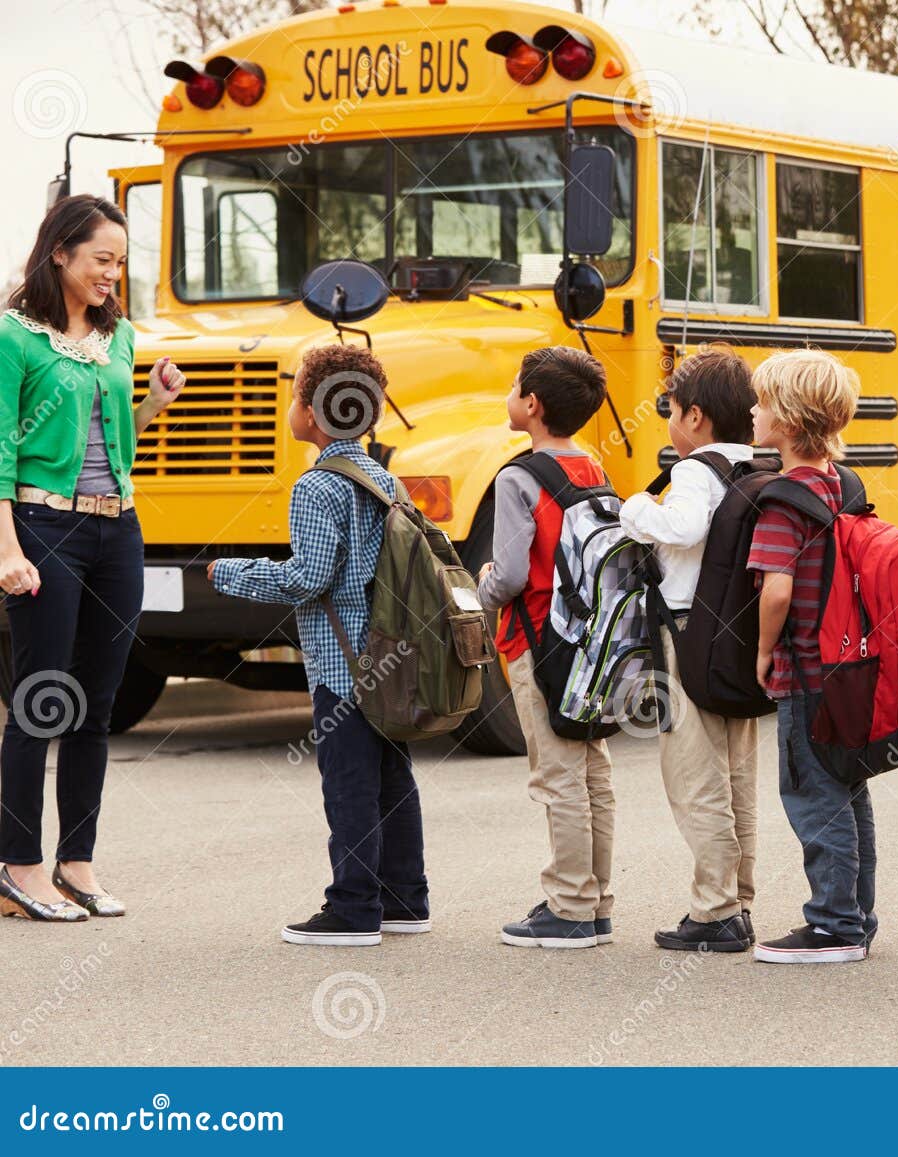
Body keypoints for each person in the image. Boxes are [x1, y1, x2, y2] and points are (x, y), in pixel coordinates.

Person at [0, 194, 186, 923]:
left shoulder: (121, 339)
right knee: (40, 702)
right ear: (61, 254)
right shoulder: (15, 338)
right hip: (45, 528)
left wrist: (153, 406)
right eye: (102, 261)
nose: (113, 274)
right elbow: (2, 452)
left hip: (119, 530)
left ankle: (76, 862)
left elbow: (117, 448)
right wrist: (8, 548)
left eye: (120, 263)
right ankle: (20, 866)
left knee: (97, 705)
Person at [210, 344, 428, 947]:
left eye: (295, 393)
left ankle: (353, 908)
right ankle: (405, 898)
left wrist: (231, 574)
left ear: (311, 411)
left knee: (349, 783)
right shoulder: (385, 480)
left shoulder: (316, 487)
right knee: (393, 776)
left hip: (342, 661)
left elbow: (308, 577)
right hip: (391, 655)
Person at [619, 347, 759, 952]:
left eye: (671, 411)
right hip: (740, 635)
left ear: (696, 417)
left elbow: (681, 528)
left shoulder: (694, 471)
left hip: (689, 635)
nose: (669, 423)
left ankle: (714, 910)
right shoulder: (756, 464)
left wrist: (634, 509)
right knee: (737, 776)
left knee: (693, 776)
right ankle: (739, 899)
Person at [477, 347, 615, 950]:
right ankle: (595, 898)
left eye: (514, 387)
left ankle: (570, 908)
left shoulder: (518, 477)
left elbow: (508, 575)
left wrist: (481, 581)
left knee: (557, 774)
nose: (510, 396)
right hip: (589, 643)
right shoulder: (595, 468)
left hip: (536, 639)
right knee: (593, 773)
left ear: (531, 405)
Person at [745, 349, 867, 964]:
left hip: (807, 670)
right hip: (853, 670)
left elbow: (779, 588)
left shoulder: (782, 499)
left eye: (762, 402)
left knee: (814, 794)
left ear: (789, 420)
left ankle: (833, 925)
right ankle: (858, 914)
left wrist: (764, 653)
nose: (753, 411)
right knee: (849, 792)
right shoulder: (846, 485)